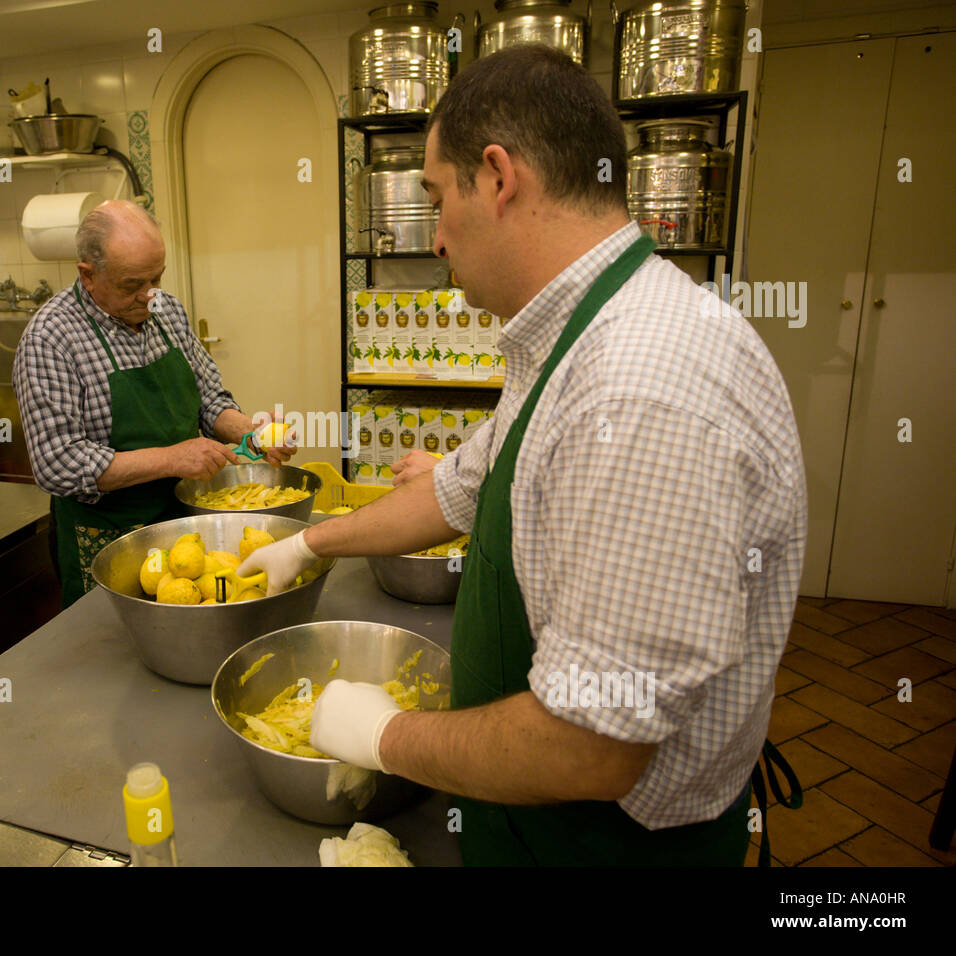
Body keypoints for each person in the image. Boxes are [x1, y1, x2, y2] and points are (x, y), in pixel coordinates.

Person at [240, 45, 808, 866]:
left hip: (607, 847)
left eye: (437, 198)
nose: (437, 237)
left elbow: (592, 748)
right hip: (528, 820)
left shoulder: (637, 388)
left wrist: (382, 735)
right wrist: (306, 544)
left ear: (498, 178)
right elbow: (459, 488)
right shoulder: (572, 339)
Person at [13, 200, 294, 606]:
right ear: (88, 275)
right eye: (131, 285)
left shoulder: (167, 311)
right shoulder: (50, 339)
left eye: (156, 278)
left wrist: (251, 432)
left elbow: (209, 399)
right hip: (110, 536)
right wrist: (173, 458)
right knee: (112, 638)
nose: (149, 296)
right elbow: (57, 464)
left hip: (187, 526)